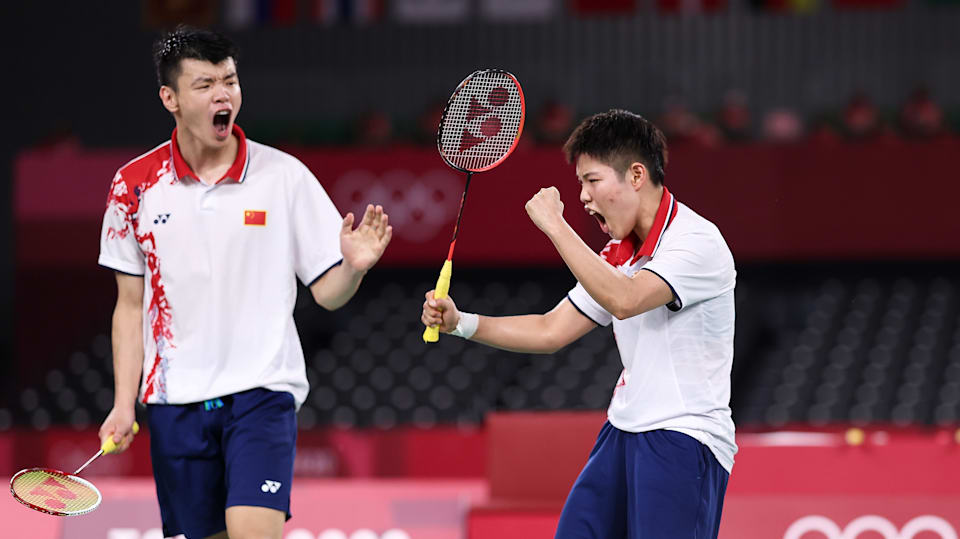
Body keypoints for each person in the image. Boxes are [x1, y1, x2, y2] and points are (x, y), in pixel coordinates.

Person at [97, 26, 392, 539]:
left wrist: (354, 266)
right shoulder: (133, 187)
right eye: (205, 84)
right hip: (175, 400)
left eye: (230, 81)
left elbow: (327, 292)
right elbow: (129, 305)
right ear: (170, 98)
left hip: (261, 393)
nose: (223, 95)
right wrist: (124, 404)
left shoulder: (283, 176)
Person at [422, 109, 736, 538]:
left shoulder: (696, 242)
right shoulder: (617, 255)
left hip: (683, 438)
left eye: (592, 181)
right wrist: (462, 322)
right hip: (622, 431)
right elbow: (551, 330)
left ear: (637, 175)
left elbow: (625, 300)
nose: (584, 197)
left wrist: (555, 224)